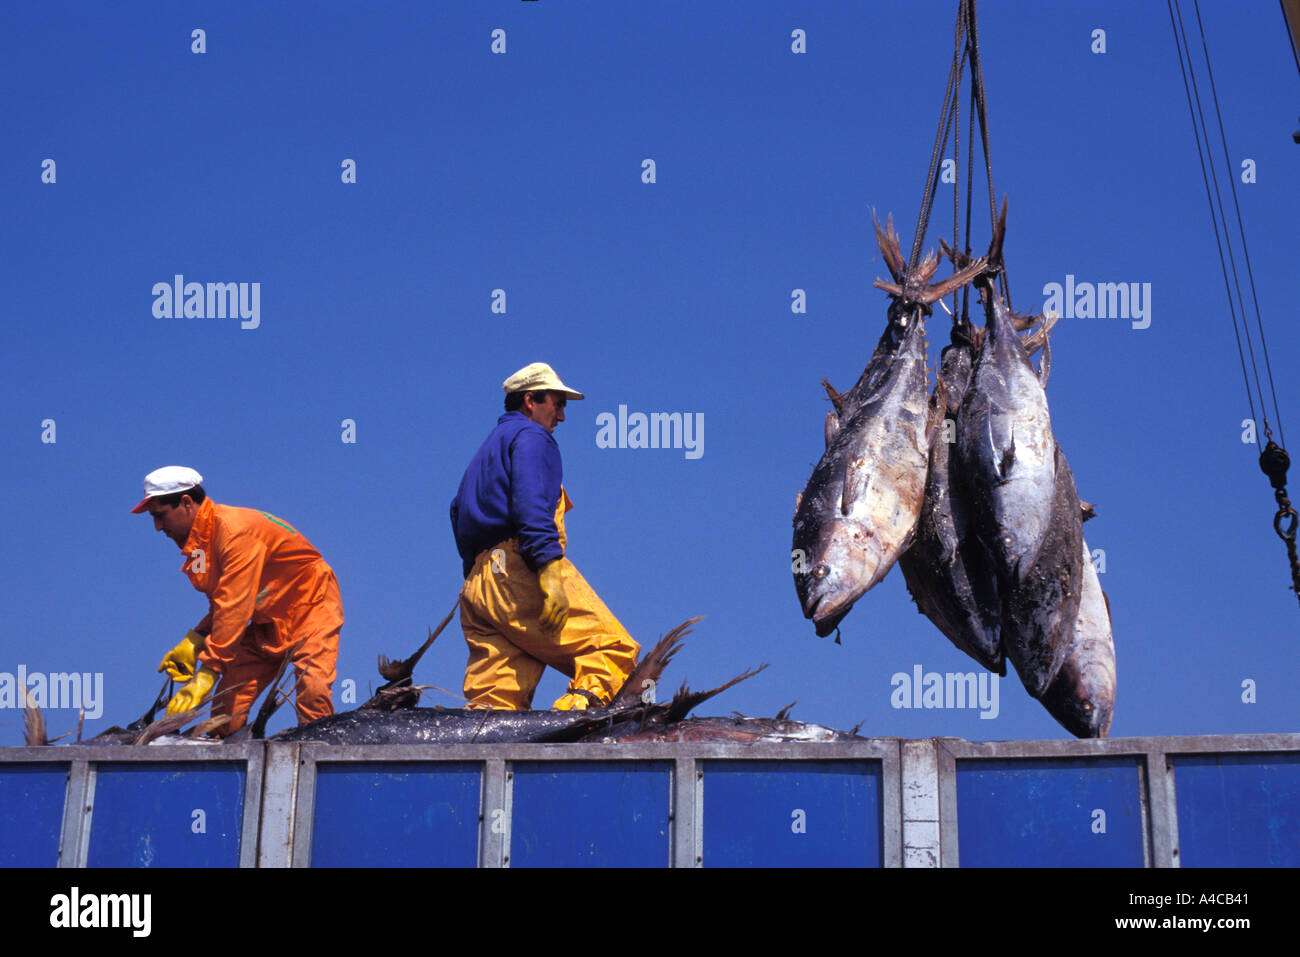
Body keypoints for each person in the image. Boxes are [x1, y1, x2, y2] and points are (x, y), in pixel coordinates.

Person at [451, 362, 640, 710]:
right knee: (611, 649)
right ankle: (575, 727)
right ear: (530, 401)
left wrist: (483, 581)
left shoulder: (485, 453)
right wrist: (548, 571)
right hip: (518, 570)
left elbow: (457, 513)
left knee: (495, 703)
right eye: (558, 403)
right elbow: (530, 501)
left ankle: (482, 757)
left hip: (478, 587)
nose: (562, 416)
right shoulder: (532, 438)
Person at [133, 466, 342, 734]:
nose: (158, 527)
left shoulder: (234, 532)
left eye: (161, 516)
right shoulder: (200, 544)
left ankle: (321, 762)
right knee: (226, 710)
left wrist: (206, 676)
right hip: (266, 618)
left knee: (313, 690)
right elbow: (224, 600)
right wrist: (195, 639)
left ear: (186, 503)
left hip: (311, 604)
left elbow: (235, 607)